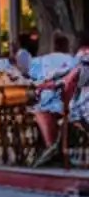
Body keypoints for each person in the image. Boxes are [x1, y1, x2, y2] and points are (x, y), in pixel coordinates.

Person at [32, 31, 89, 167]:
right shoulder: (75, 61)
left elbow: (69, 79)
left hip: (79, 110)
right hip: (74, 106)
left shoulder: (82, 60)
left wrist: (48, 84)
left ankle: (53, 148)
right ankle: (55, 148)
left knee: (42, 110)